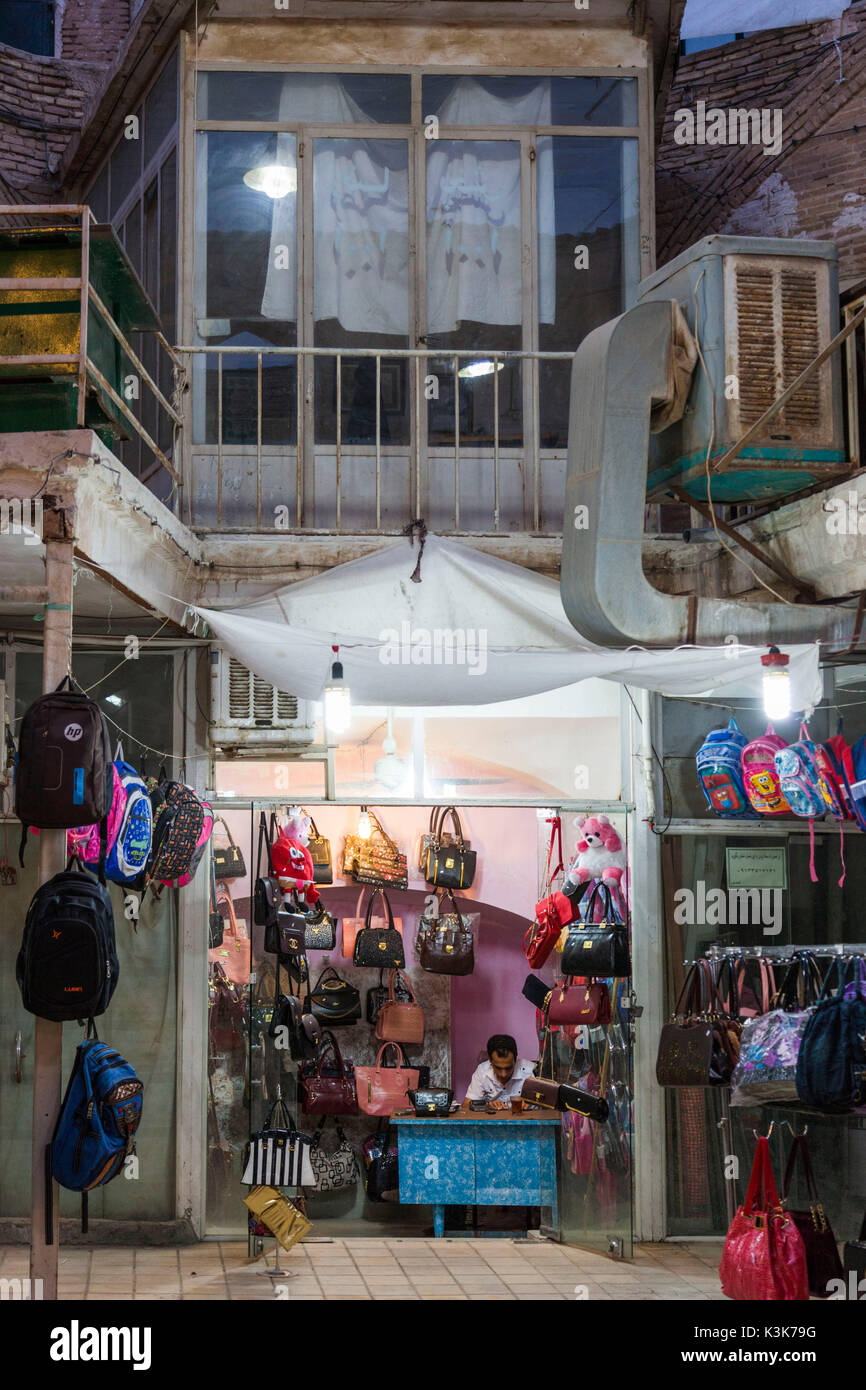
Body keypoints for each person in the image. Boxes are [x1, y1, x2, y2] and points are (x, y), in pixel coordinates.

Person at [464, 1034, 535, 1110]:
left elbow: (546, 1108)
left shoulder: (531, 1071)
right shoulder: (482, 1071)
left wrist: (531, 1103)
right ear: (490, 1061)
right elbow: (465, 1105)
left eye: (508, 1068)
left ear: (516, 1059)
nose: (503, 1074)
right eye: (498, 1068)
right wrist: (488, 1106)